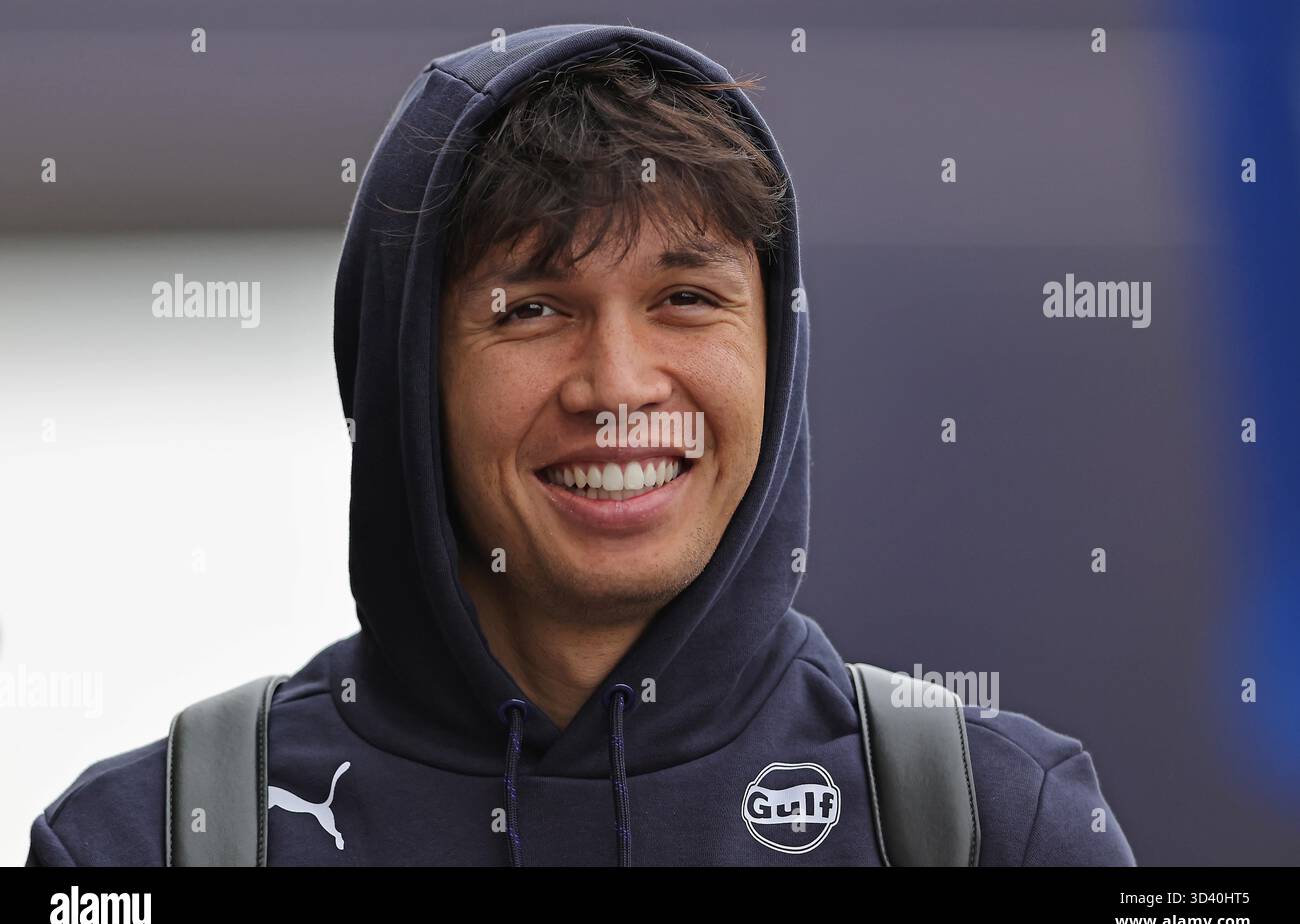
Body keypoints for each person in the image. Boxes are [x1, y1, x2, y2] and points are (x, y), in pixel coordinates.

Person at [26, 23, 1135, 866]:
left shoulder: (997, 819)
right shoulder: (150, 841)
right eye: (532, 309)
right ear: (408, 376)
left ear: (774, 348)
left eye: (686, 297)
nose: (618, 385)